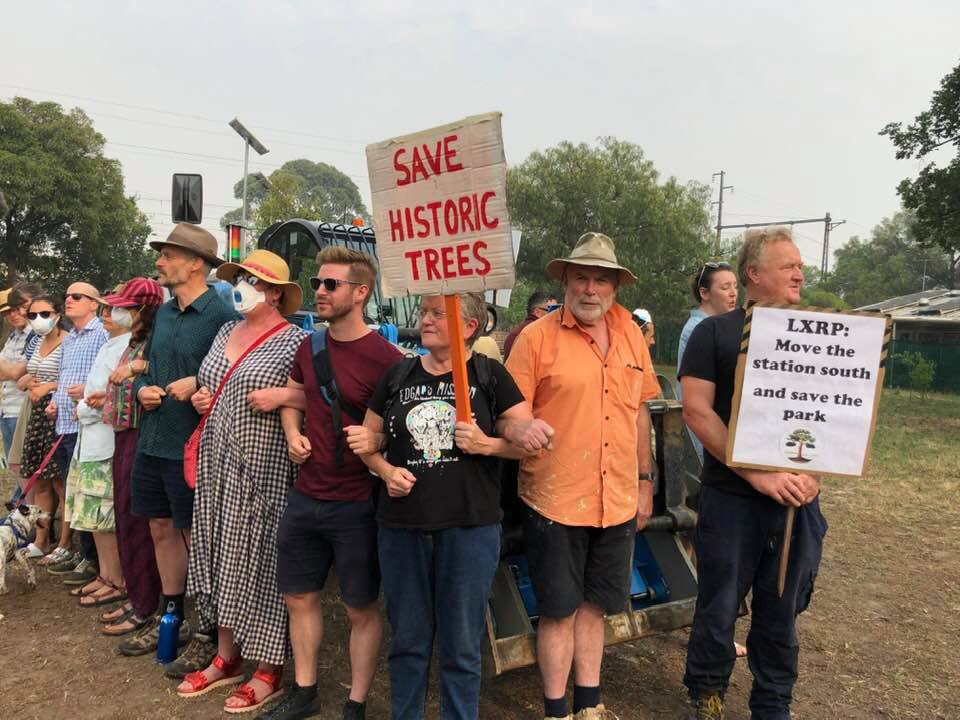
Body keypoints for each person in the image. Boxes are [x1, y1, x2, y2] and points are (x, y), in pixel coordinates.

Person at [504, 232, 661, 720]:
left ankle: (589, 704)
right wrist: (521, 428)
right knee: (557, 611)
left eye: (601, 280)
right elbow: (509, 416)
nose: (590, 289)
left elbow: (639, 413)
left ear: (615, 286)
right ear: (566, 281)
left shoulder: (632, 334)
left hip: (616, 495)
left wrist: (643, 482)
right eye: (581, 278)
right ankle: (556, 710)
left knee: (596, 608)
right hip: (555, 497)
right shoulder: (536, 338)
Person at [354, 292, 532, 720]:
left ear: (468, 326)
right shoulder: (398, 374)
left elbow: (524, 441)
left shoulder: (490, 376)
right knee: (409, 641)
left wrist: (488, 444)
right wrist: (384, 471)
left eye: (438, 313)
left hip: (469, 529)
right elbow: (367, 439)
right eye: (425, 312)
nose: (426, 320)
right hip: (401, 528)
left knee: (462, 645)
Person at [679, 226, 825, 720]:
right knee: (719, 606)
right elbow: (697, 411)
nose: (799, 273)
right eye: (787, 265)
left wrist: (816, 474)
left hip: (795, 504)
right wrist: (757, 475)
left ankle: (772, 701)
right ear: (754, 274)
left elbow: (835, 419)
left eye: (800, 265)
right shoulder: (714, 333)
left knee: (782, 609)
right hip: (731, 499)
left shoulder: (820, 338)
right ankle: (708, 694)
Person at [265, 247, 403, 720]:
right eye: (319, 283)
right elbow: (297, 394)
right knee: (299, 596)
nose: (320, 292)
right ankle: (304, 693)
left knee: (361, 607)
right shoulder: (310, 346)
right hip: (306, 494)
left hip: (356, 503)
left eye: (331, 285)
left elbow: (396, 429)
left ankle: (356, 702)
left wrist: (375, 437)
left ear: (360, 292)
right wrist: (291, 434)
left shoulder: (388, 359)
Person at [177, 250, 307, 714]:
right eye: (239, 277)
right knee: (217, 552)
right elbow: (211, 382)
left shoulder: (295, 340)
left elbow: (315, 394)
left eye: (252, 279)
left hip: (263, 469)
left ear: (275, 293)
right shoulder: (226, 330)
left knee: (261, 559)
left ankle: (269, 667)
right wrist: (201, 397)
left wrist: (284, 394)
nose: (241, 285)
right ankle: (226, 656)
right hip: (216, 464)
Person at [123, 224, 237, 670]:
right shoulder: (166, 314)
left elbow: (237, 372)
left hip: (194, 446)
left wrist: (201, 382)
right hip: (153, 438)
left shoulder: (223, 314)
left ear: (195, 263)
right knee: (159, 529)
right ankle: (173, 616)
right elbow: (150, 367)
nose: (159, 263)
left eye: (167, 255)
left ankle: (210, 629)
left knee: (197, 537)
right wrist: (143, 390)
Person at [98, 278, 165, 637]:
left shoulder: (154, 341)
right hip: (122, 433)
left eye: (123, 306)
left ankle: (146, 603)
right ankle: (136, 594)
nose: (116, 312)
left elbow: (160, 370)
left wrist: (137, 369)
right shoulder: (132, 341)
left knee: (139, 520)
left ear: (143, 309)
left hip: (143, 433)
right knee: (124, 515)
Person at [37, 282, 109, 584]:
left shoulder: (102, 335)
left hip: (89, 427)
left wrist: (88, 391)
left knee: (88, 494)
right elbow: (63, 375)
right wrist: (54, 403)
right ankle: (83, 553)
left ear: (94, 304)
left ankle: (92, 559)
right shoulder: (69, 339)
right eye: (66, 296)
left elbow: (103, 380)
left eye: (76, 296)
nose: (68, 300)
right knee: (71, 491)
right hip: (65, 425)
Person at [66, 291, 132, 608]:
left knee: (105, 516)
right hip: (89, 437)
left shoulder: (128, 345)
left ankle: (117, 579)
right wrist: (86, 402)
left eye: (114, 308)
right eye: (104, 307)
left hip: (105, 438)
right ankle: (105, 574)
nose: (106, 313)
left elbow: (110, 395)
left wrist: (87, 405)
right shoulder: (109, 343)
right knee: (92, 515)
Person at [18, 295, 67, 557]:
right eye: (33, 315)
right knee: (40, 483)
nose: (39, 320)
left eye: (45, 314)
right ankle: (41, 540)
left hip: (57, 413)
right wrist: (30, 383)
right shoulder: (36, 341)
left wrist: (48, 387)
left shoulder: (69, 341)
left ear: (57, 314)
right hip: (37, 414)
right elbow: (28, 373)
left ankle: (65, 543)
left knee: (60, 482)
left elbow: (74, 378)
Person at [676, 262, 739, 403]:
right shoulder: (697, 329)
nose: (733, 293)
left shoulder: (720, 327)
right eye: (725, 287)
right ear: (704, 293)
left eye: (735, 286)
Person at [0, 283, 41, 470]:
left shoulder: (36, 335)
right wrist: (12, 371)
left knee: (26, 467)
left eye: (17, 309)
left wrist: (11, 371)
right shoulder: (13, 336)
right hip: (7, 408)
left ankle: (20, 500)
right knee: (14, 465)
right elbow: (11, 373)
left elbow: (18, 373)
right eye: (8, 313)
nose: (12, 315)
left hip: (23, 409)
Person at [503, 290, 558, 361]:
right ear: (537, 312)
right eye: (552, 311)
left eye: (557, 311)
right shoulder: (533, 334)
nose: (556, 315)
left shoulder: (517, 332)